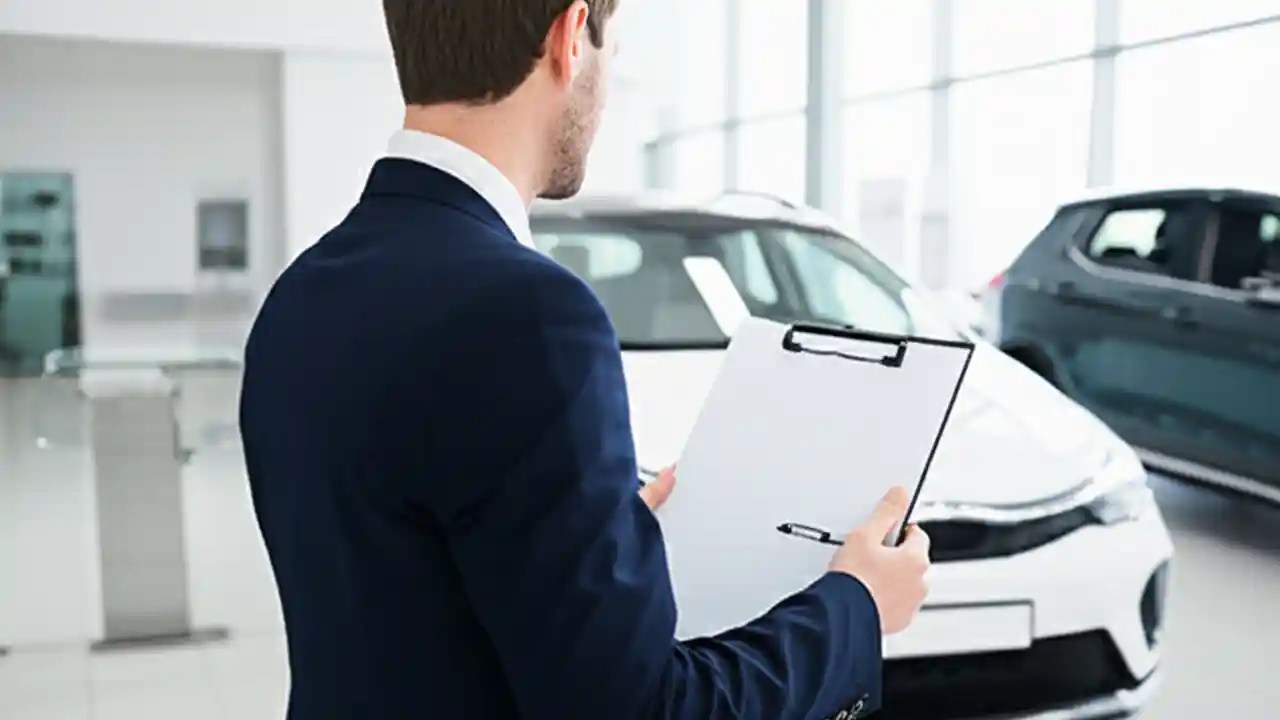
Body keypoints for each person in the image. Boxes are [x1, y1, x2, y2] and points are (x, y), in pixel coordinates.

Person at [239, 1, 931, 718]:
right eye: (613, 52)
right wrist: (856, 607)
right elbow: (644, 709)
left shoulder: (303, 294)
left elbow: (411, 580)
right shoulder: (530, 316)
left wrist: (596, 535)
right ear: (571, 36)